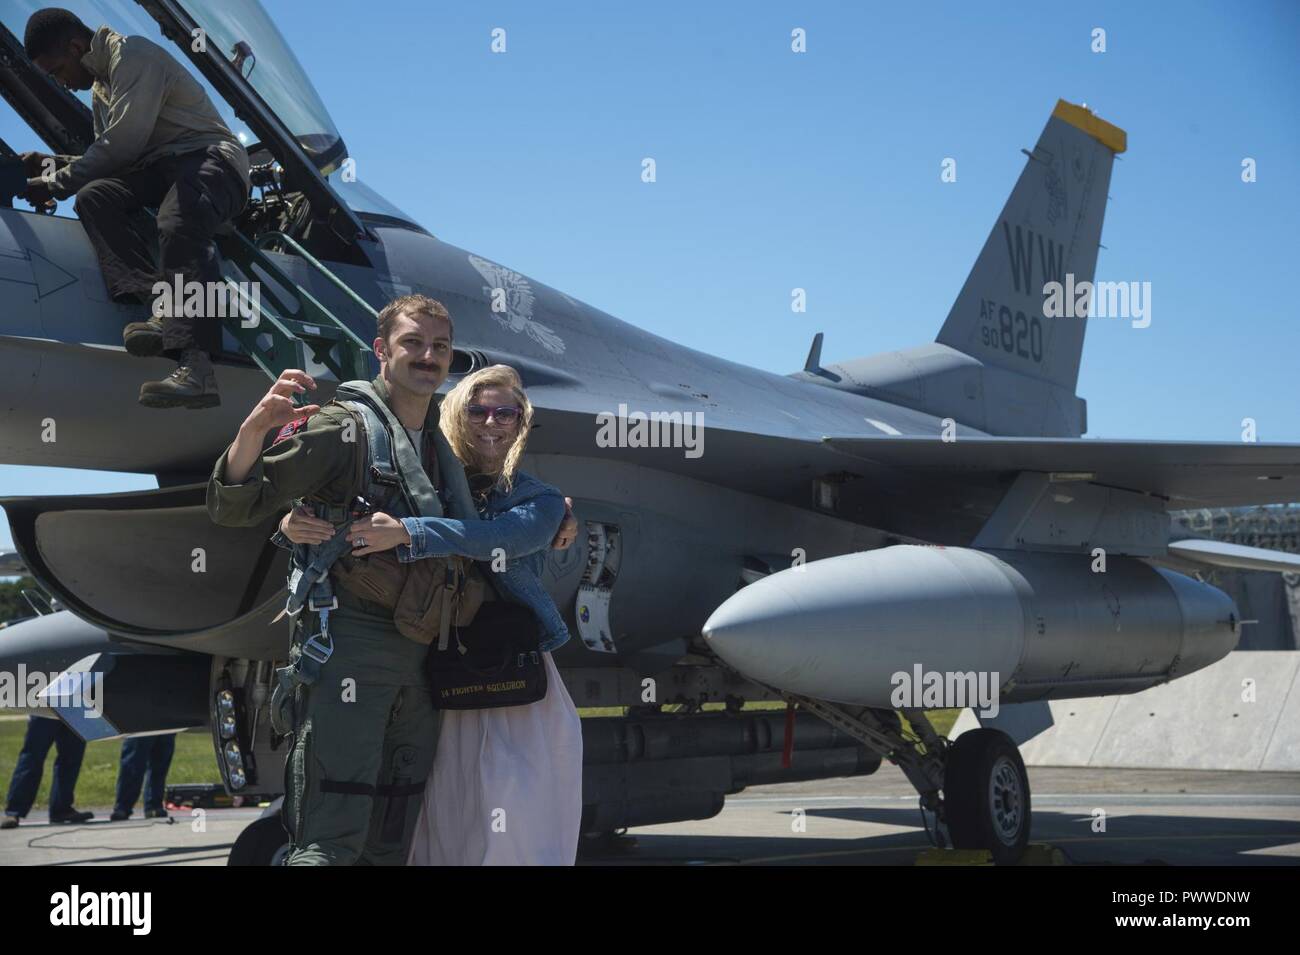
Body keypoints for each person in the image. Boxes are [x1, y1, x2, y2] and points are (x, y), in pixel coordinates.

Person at [206, 294, 575, 865]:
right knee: (332, 835)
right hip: (352, 647)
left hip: (428, 660)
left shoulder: (439, 452)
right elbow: (234, 507)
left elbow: (493, 530)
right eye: (413, 343)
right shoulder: (343, 427)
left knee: (394, 835)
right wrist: (255, 432)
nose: (427, 356)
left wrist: (411, 531)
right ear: (381, 351)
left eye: (440, 347)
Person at [283, 364, 583, 865]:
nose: (492, 422)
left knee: (513, 812)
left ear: (520, 421)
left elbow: (498, 541)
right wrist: (292, 522)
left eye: (505, 412)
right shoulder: (425, 484)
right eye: (478, 410)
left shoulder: (541, 499)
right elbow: (342, 508)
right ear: (457, 415)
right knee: (439, 816)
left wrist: (410, 532)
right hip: (438, 667)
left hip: (511, 673)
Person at [21, 8, 250, 409]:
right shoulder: (101, 90)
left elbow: (121, 145)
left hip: (211, 160)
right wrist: (53, 165)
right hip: (158, 168)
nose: (61, 83)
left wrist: (55, 181)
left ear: (76, 47)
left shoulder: (134, 57)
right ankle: (160, 302)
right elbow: (111, 158)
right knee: (95, 197)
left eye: (58, 70)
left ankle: (198, 368)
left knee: (178, 220)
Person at [1, 716, 93, 828]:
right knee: (32, 757)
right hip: (46, 704)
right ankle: (14, 811)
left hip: (75, 704)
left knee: (71, 758)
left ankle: (61, 810)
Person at [110, 733, 177, 821]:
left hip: (166, 723)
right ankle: (123, 807)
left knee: (160, 762)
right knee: (133, 763)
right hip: (140, 724)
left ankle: (153, 805)